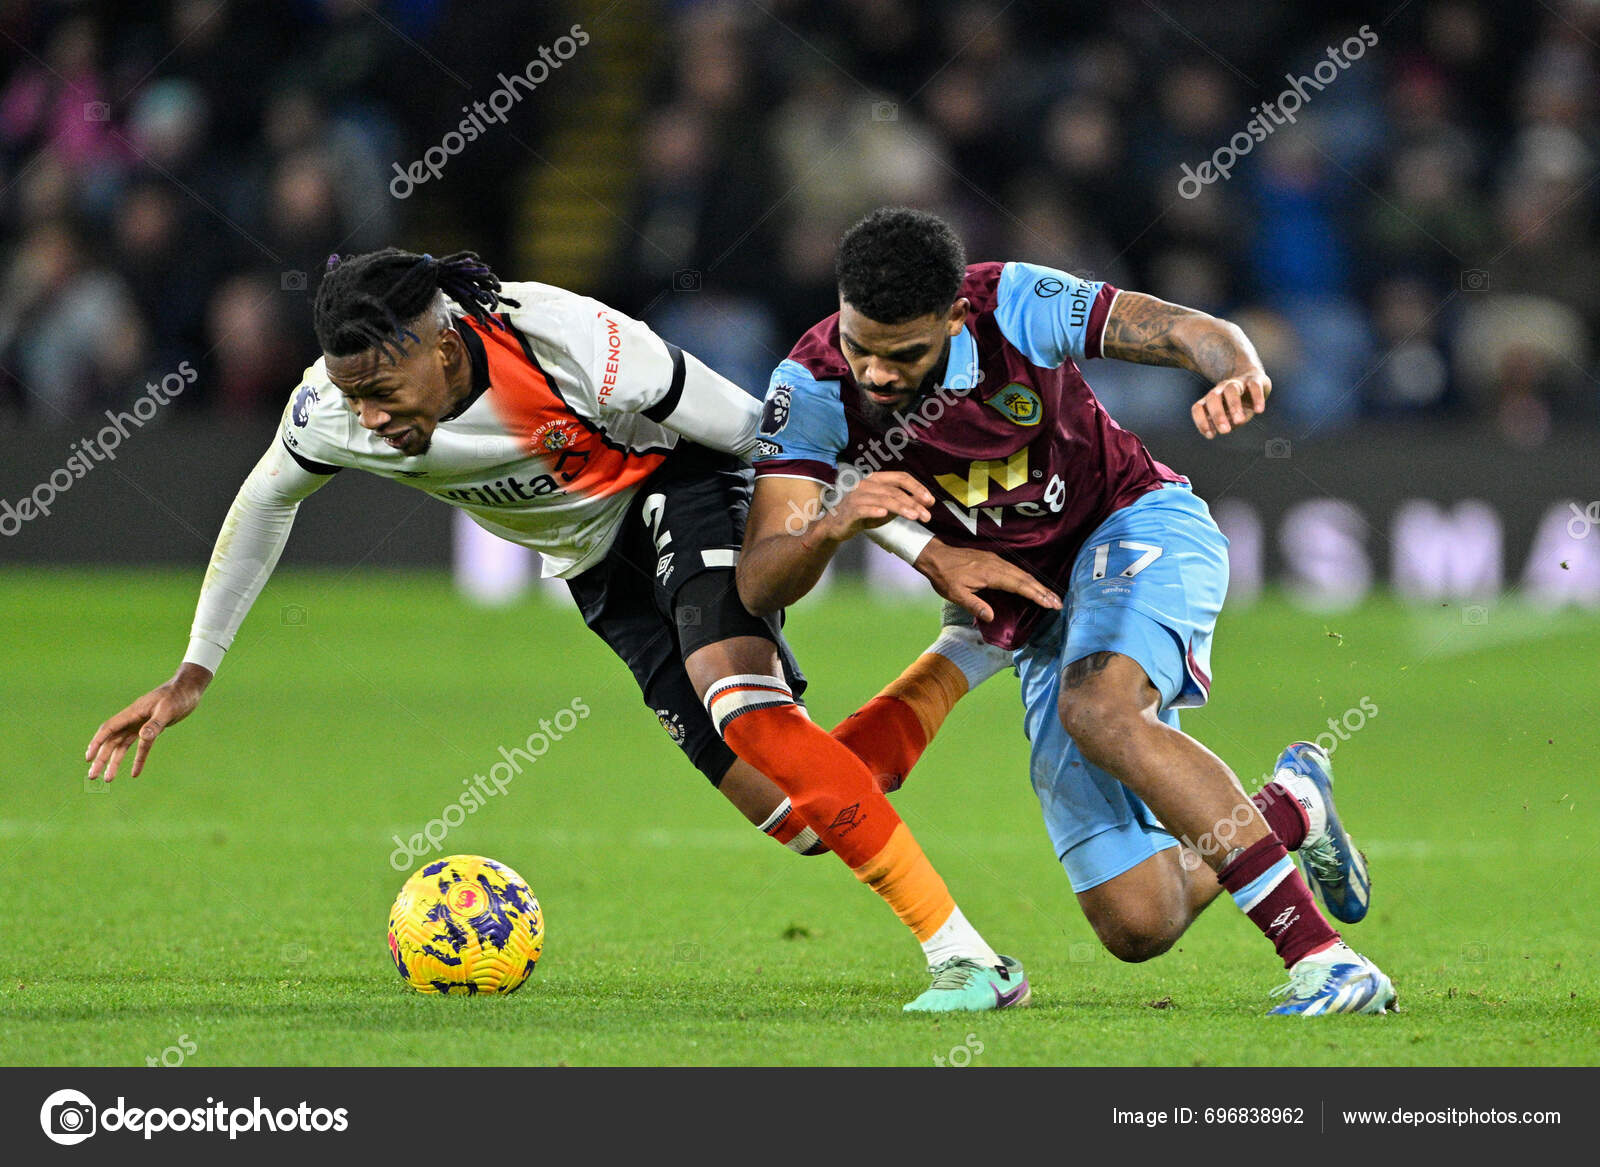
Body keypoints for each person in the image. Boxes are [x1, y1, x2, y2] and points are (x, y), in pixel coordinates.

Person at [84, 247, 1054, 1012]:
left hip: (684, 487)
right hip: (598, 571)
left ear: (442, 344)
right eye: (356, 402)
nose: (370, 421)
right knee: (799, 816)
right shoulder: (333, 408)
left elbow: (768, 438)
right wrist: (194, 671)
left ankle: (968, 960)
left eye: (385, 393)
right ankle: (962, 653)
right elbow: (264, 505)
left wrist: (922, 550)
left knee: (743, 705)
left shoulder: (572, 345)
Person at [736, 207, 1394, 1016]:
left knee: (1101, 709)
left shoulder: (1015, 303)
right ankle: (1291, 804)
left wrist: (1236, 367)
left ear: (953, 316)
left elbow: (1185, 328)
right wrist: (835, 522)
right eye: (860, 344)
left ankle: (1327, 961)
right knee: (1138, 921)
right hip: (1037, 610)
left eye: (902, 354)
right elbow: (761, 581)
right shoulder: (808, 386)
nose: (875, 373)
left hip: (1132, 522)